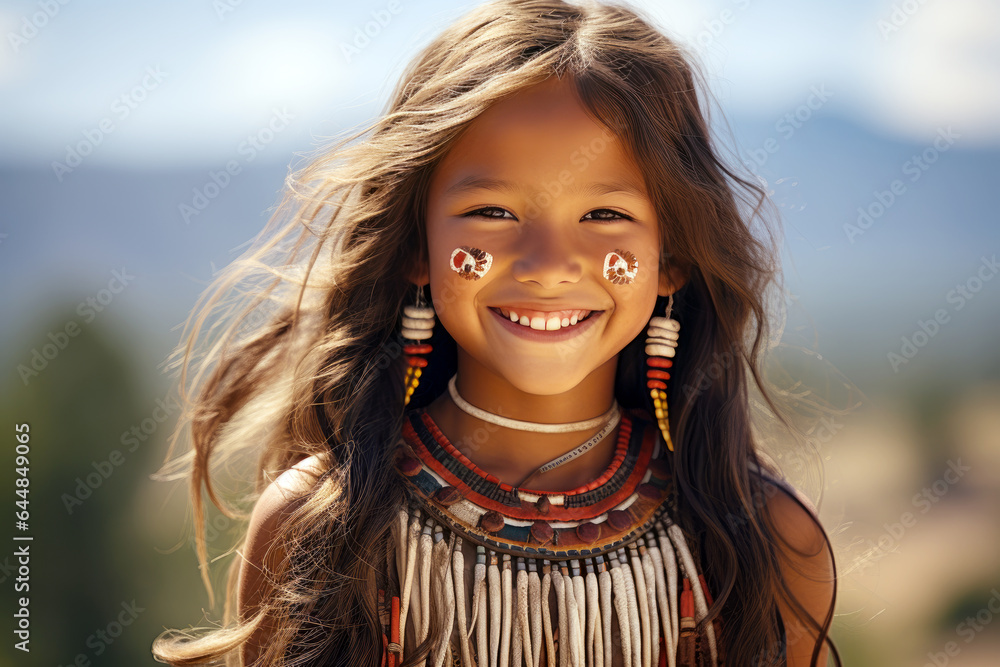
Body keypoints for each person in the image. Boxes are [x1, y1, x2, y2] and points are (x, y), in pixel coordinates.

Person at [151, 1, 841, 665]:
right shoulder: (314, 528)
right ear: (416, 246)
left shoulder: (767, 544)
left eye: (604, 215)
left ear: (673, 259)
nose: (547, 265)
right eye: (493, 211)